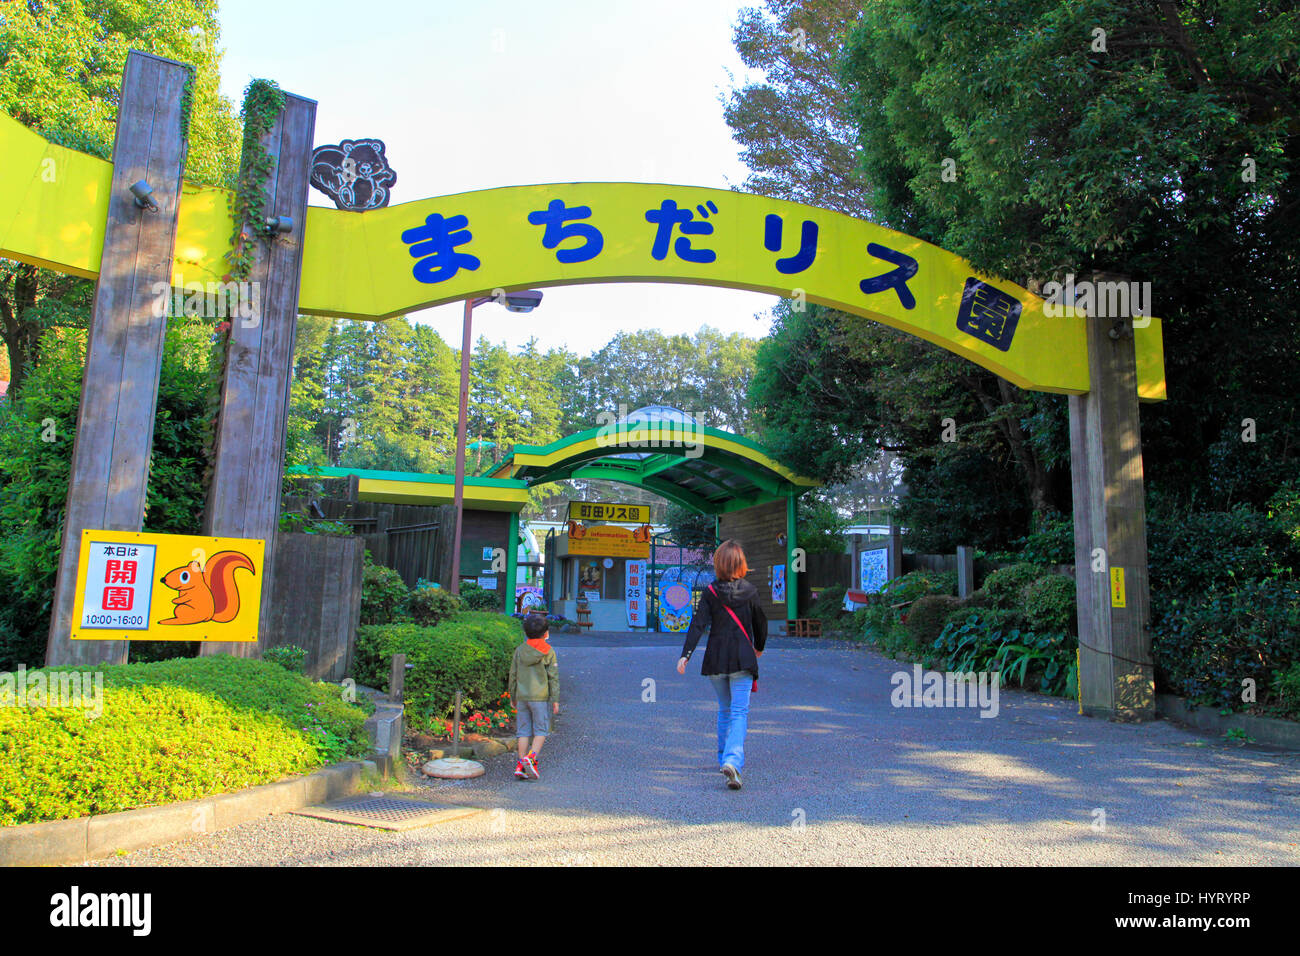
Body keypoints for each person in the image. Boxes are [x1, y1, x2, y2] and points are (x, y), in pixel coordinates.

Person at [676, 540, 767, 790]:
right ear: (741, 564)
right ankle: (732, 761)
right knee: (739, 712)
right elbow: (761, 623)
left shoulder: (710, 592)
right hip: (742, 659)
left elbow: (698, 623)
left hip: (716, 659)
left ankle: (723, 759)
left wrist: (686, 654)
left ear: (718, 564)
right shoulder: (751, 591)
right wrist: (759, 646)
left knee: (725, 709)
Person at [509, 613, 560, 780]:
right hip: (540, 697)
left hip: (522, 696)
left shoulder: (519, 650)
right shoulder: (548, 652)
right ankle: (530, 759)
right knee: (541, 730)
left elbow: (513, 674)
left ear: (526, 632)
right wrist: (555, 699)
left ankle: (521, 765)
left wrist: (512, 695)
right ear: (546, 633)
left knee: (523, 732)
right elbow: (553, 677)